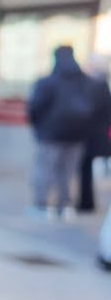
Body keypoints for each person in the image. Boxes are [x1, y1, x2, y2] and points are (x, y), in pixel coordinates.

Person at [28, 46, 95, 221]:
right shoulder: (85, 81)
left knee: (46, 170)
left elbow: (35, 108)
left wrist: (39, 127)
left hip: (50, 134)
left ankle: (43, 205)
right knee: (69, 172)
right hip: (77, 135)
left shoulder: (48, 81)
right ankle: (65, 206)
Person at [77, 56, 111, 214]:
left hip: (92, 135)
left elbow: (90, 110)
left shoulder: (97, 85)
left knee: (85, 169)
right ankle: (86, 202)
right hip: (98, 133)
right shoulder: (101, 84)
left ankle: (86, 203)